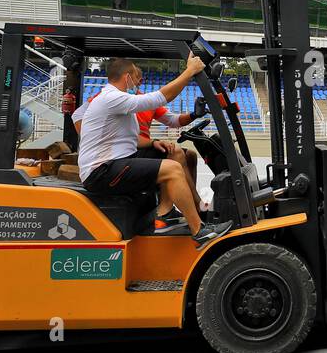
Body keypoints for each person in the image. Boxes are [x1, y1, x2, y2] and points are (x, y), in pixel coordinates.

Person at [76, 56, 228, 245]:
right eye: (136, 76)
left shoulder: (117, 100)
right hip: (102, 171)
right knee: (172, 169)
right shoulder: (111, 98)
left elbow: (132, 137)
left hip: (118, 161)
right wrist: (189, 71)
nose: (139, 81)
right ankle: (198, 229)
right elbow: (162, 97)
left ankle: (169, 212)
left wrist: (158, 140)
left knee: (175, 154)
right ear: (126, 77)